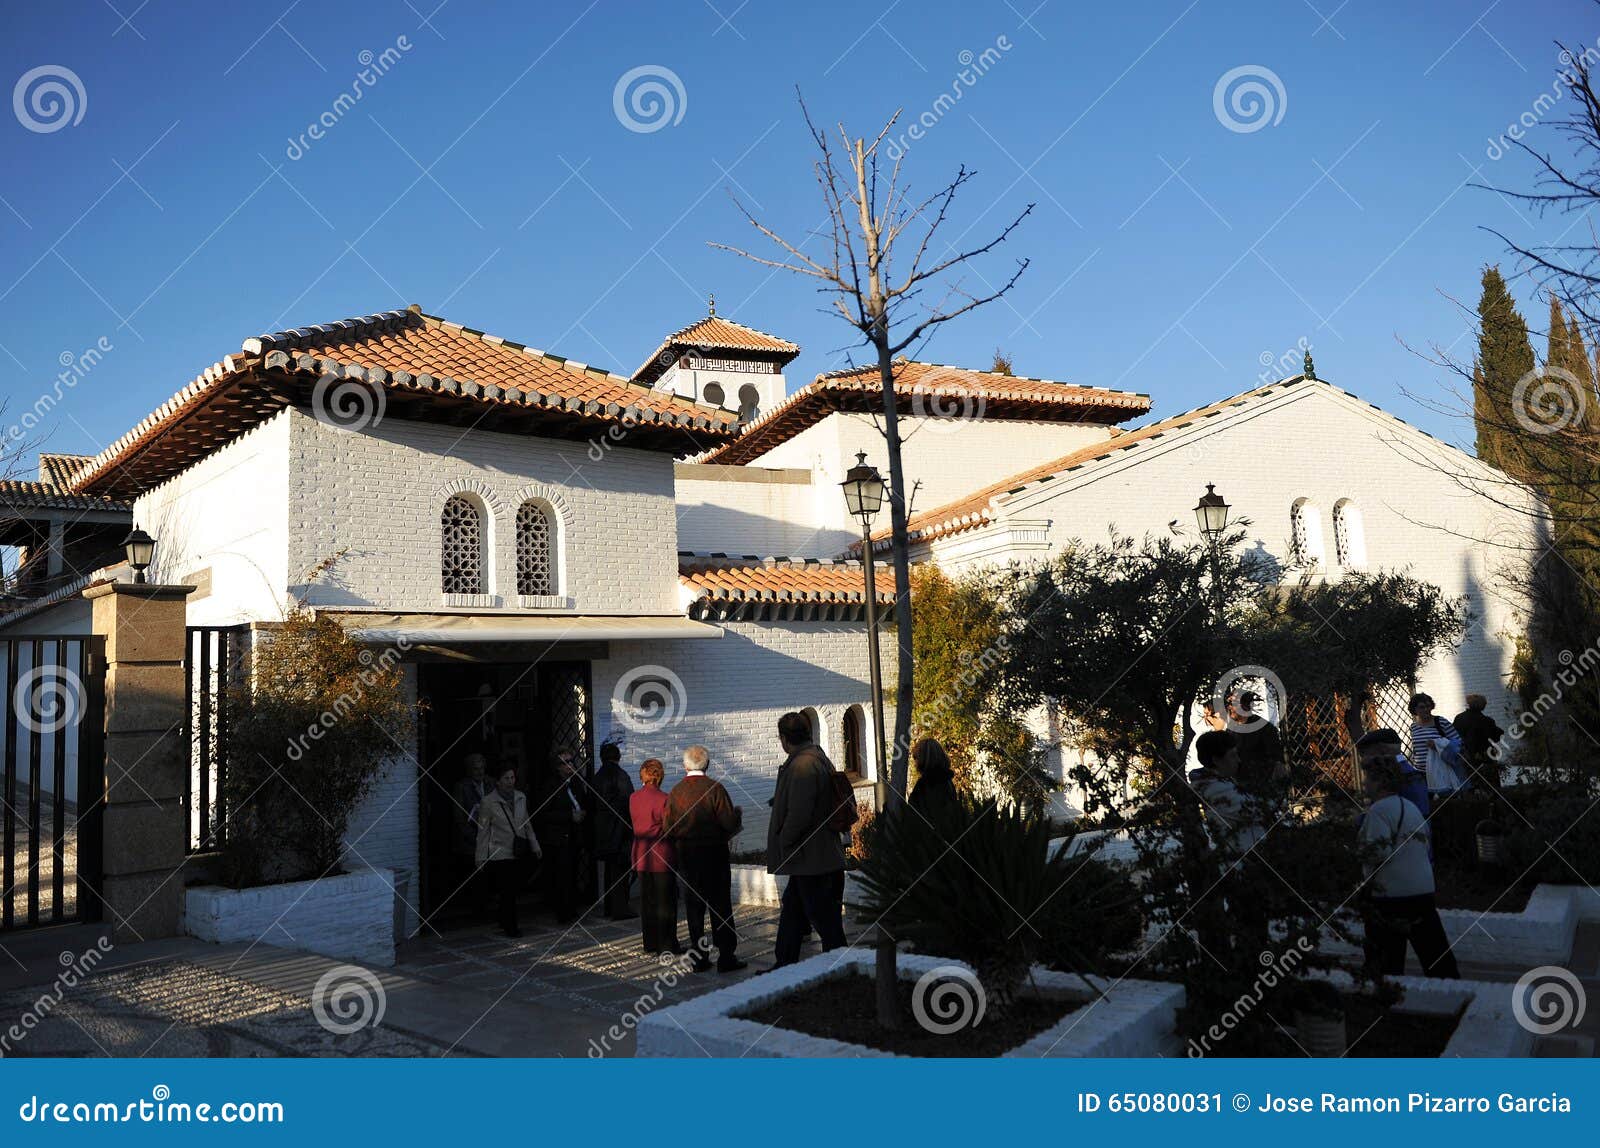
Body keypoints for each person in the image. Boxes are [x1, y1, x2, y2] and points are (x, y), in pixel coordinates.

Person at [1357, 755, 1459, 979]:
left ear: (1380, 782)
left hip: (1390, 895)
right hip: (1422, 891)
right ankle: (1455, 1000)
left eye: (1368, 779)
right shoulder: (1411, 808)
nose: (1364, 783)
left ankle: (1385, 1006)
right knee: (1436, 957)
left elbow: (1377, 852)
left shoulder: (1378, 811)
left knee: (1386, 963)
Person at [768, 711, 849, 968]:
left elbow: (801, 812)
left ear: (784, 738)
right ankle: (784, 963)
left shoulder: (803, 764)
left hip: (810, 855)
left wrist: (786, 840)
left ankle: (841, 962)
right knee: (793, 910)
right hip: (814, 853)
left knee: (822, 916)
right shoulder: (814, 758)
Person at [665, 745, 746, 972]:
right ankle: (726, 956)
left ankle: (699, 957)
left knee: (694, 907)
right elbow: (728, 823)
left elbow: (667, 827)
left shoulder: (676, 792)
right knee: (720, 905)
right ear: (707, 765)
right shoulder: (715, 789)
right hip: (714, 856)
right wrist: (737, 814)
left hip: (687, 857)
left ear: (685, 766)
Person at [475, 765, 542, 938]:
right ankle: (511, 926)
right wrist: (481, 856)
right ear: (498, 781)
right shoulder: (488, 802)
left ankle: (504, 919)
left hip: (517, 849)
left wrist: (535, 845)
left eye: (512, 778)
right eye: (506, 778)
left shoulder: (521, 797)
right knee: (507, 890)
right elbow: (483, 831)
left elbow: (527, 822)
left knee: (512, 888)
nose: (510, 781)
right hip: (500, 851)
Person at [629, 758, 680, 955]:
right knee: (665, 902)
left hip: (641, 853)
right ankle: (667, 944)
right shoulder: (664, 799)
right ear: (659, 776)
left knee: (648, 901)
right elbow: (670, 828)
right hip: (661, 854)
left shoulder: (633, 798)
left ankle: (649, 942)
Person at [1188, 729, 1266, 855]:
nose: (1238, 760)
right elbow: (1258, 810)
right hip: (1243, 857)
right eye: (1232, 755)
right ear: (1216, 760)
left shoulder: (1222, 782)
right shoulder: (1215, 789)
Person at [533, 746, 587, 923]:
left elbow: (582, 801)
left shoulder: (576, 782)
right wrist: (569, 816)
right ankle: (562, 911)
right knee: (561, 876)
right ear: (557, 766)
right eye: (565, 763)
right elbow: (544, 813)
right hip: (558, 837)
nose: (570, 766)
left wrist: (582, 813)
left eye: (571, 762)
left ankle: (572, 908)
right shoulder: (550, 785)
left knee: (572, 874)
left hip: (575, 836)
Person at [592, 742, 636, 920]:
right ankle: (620, 909)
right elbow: (629, 802)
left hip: (602, 831)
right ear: (617, 757)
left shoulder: (597, 777)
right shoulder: (621, 776)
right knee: (620, 871)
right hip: (619, 831)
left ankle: (610, 907)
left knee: (609, 871)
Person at [451, 752, 493, 918]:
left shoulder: (490, 783)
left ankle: (487, 905)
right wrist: (473, 836)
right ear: (469, 770)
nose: (480, 772)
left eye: (482, 768)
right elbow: (459, 817)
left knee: (489, 874)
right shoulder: (462, 787)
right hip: (471, 839)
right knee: (474, 876)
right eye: (476, 769)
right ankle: (477, 910)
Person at [1354, 728, 1430, 819]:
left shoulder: (1392, 778)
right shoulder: (1414, 775)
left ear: (1382, 750)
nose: (1364, 759)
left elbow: (1382, 817)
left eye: (1367, 754)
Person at [1227, 689, 1287, 793]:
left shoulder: (1264, 728)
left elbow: (1276, 760)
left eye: (1233, 704)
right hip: (1238, 787)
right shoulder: (1230, 731)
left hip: (1262, 787)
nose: (1230, 707)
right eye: (1229, 703)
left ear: (1244, 705)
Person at [1408, 693, 1466, 797]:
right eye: (1422, 707)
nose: (1426, 709)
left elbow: (1458, 743)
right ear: (1414, 709)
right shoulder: (1414, 727)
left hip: (1440, 772)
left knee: (1445, 800)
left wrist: (1438, 745)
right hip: (1421, 773)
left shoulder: (1440, 722)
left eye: (1428, 706)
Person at [1452, 694, 1505, 786]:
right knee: (1489, 783)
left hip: (1465, 755)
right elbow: (1496, 736)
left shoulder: (1459, 718)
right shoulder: (1487, 721)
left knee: (1469, 783)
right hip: (1485, 756)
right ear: (1483, 706)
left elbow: (1453, 735)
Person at [908, 737, 959, 818]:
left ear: (922, 759)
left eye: (916, 758)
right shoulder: (947, 782)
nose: (915, 763)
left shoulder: (925, 785)